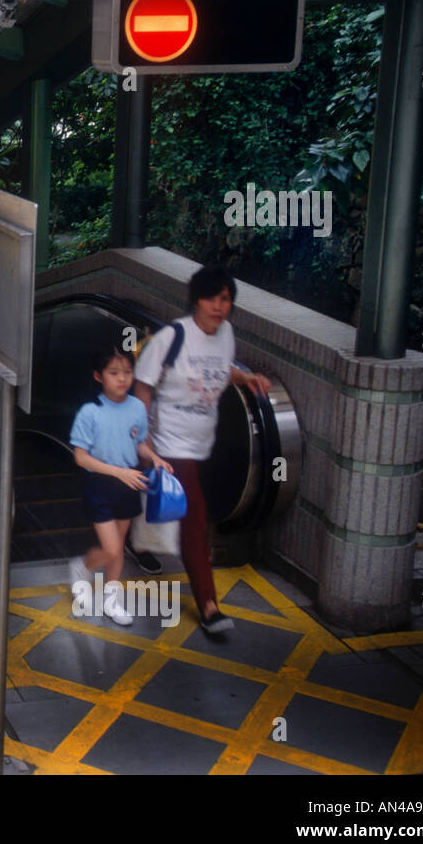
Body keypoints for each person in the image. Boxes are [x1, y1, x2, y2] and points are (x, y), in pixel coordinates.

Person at [133, 265, 272, 636]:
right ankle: (209, 605)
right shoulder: (171, 338)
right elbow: (143, 388)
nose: (219, 306)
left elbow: (221, 369)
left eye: (226, 299)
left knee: (167, 504)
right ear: (196, 299)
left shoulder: (225, 333)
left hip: (205, 442)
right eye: (212, 298)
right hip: (170, 442)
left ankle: (138, 539)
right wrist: (143, 441)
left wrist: (247, 378)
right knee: (195, 518)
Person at [68, 346, 174, 626]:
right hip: (100, 484)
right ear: (98, 376)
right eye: (114, 373)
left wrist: (155, 458)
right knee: (113, 548)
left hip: (130, 482)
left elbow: (138, 443)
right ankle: (83, 567)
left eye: (127, 372)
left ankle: (110, 599)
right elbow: (80, 457)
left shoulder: (137, 407)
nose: (122, 379)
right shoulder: (90, 413)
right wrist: (117, 472)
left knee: (117, 548)